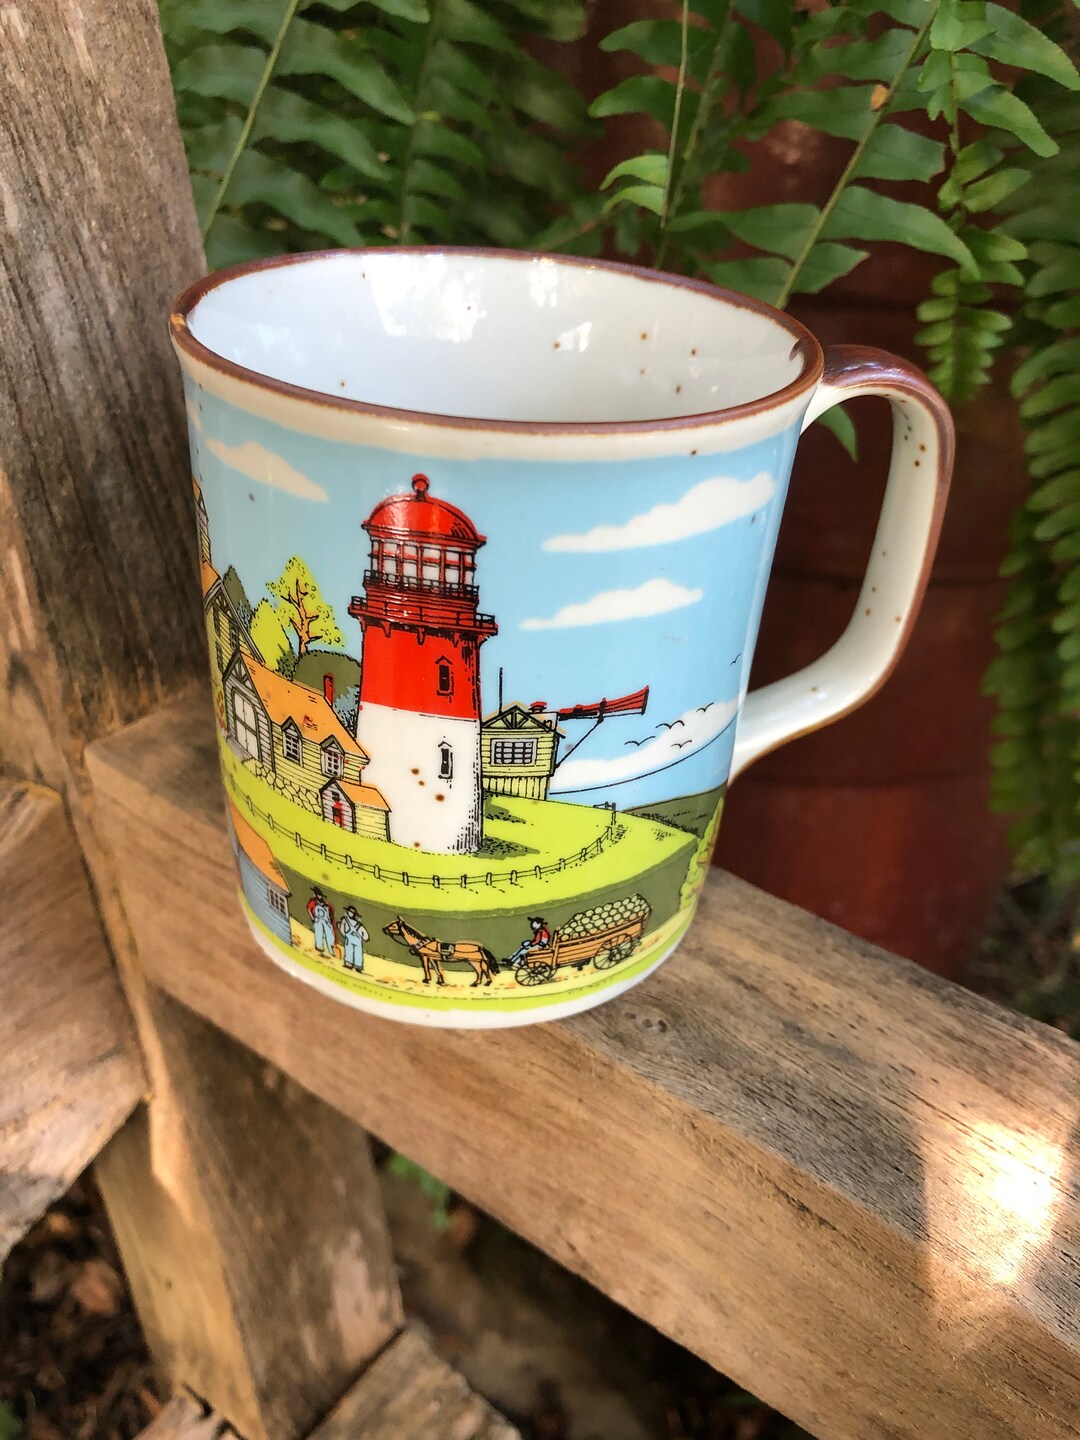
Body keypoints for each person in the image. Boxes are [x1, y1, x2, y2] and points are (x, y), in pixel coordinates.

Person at [338, 905, 369, 973]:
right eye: (350, 912)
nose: (351, 913)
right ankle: (349, 963)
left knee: (358, 952)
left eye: (352, 913)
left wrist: (365, 937)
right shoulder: (344, 920)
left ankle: (358, 966)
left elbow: (364, 932)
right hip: (350, 939)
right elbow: (342, 930)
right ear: (348, 912)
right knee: (349, 950)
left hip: (357, 940)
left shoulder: (357, 923)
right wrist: (345, 935)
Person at [307, 887, 336, 958]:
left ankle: (331, 950)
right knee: (319, 933)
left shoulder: (325, 903)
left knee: (329, 934)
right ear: (315, 895)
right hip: (318, 920)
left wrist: (331, 917)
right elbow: (309, 909)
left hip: (326, 921)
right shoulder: (313, 902)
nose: (320, 896)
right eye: (318, 895)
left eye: (320, 895)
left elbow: (331, 910)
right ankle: (319, 948)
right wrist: (313, 919)